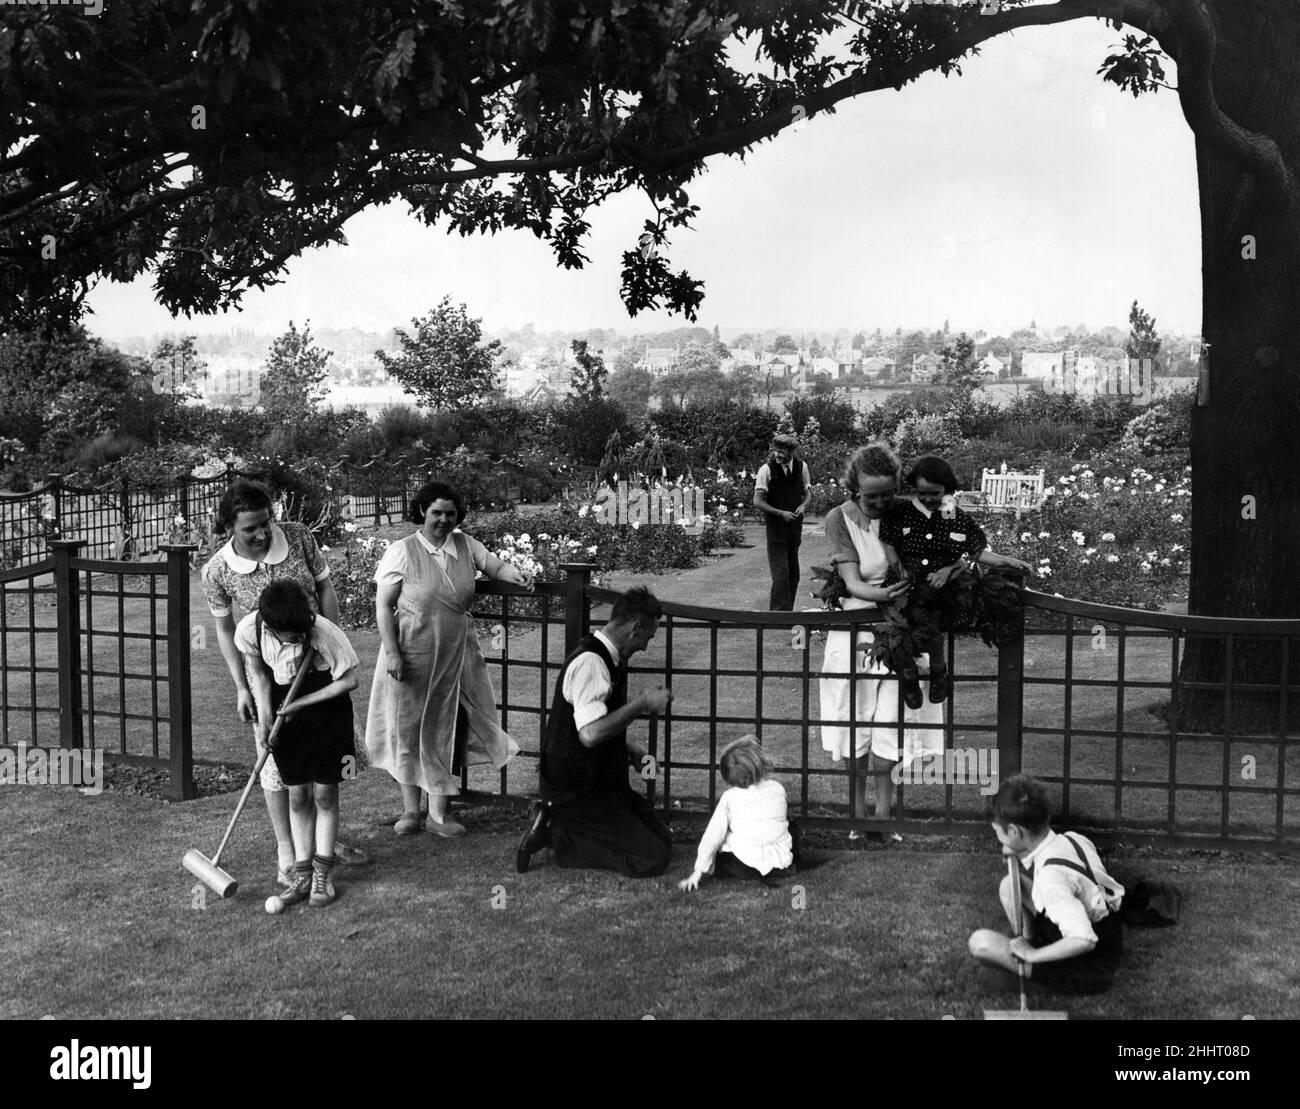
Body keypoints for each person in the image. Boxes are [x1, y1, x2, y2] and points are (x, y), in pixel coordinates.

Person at [202, 478, 369, 890]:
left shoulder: (297, 537)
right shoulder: (217, 570)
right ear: (228, 527)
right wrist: (241, 686)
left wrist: (331, 635)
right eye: (250, 528)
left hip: (316, 663)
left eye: (265, 522)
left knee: (325, 764)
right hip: (269, 674)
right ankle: (287, 852)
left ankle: (322, 846)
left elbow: (325, 586)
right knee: (277, 762)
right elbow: (225, 631)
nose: (261, 533)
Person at [365, 480, 531, 838]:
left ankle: (438, 814)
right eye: (436, 512)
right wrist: (393, 653)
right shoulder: (402, 550)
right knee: (407, 726)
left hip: (454, 652)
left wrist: (511, 574)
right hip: (411, 651)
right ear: (422, 512)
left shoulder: (466, 545)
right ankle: (411, 811)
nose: (443, 520)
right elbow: (383, 605)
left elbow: (494, 566)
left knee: (445, 725)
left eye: (450, 513)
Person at [818, 441, 943, 820]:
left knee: (893, 723)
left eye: (888, 493)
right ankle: (857, 815)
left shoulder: (909, 512)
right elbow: (852, 582)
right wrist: (884, 595)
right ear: (854, 488)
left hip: (903, 633)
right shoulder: (838, 519)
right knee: (853, 724)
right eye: (871, 496)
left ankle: (884, 815)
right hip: (854, 634)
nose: (880, 502)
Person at [516, 587, 674, 877]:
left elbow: (589, 723)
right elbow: (589, 734)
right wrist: (642, 703)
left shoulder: (605, 657)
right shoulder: (592, 662)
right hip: (576, 790)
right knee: (651, 859)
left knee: (664, 841)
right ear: (635, 627)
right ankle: (558, 834)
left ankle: (565, 826)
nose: (645, 647)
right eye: (647, 637)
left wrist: (627, 749)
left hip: (597, 782)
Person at [236, 580, 359, 908]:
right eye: (294, 637)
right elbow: (260, 677)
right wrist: (264, 724)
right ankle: (302, 875)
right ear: (272, 629)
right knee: (298, 795)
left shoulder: (323, 632)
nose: (303, 638)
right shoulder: (249, 631)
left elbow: (349, 680)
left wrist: (302, 704)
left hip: (327, 711)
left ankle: (322, 874)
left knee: (323, 793)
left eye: (305, 631)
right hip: (283, 711)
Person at [879, 454, 1034, 707]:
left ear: (946, 490)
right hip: (904, 585)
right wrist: (899, 568)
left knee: (933, 619)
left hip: (939, 588)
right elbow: (888, 542)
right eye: (923, 493)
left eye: (935, 493)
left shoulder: (956, 517)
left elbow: (975, 552)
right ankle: (908, 675)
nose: (929, 499)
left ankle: (939, 671)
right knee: (897, 628)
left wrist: (1009, 561)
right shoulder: (902, 514)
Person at [968, 774, 1125, 993]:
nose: (998, 838)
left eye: (998, 832)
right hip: (1105, 928)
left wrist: (1033, 956)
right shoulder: (1073, 838)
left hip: (1088, 963)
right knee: (1010, 886)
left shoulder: (1051, 881)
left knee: (980, 942)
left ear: (1014, 832)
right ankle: (1030, 940)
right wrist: (1016, 849)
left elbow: (1084, 939)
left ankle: (1034, 960)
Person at [678, 735, 798, 891]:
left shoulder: (730, 797)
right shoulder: (777, 788)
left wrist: (698, 871)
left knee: (724, 834)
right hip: (780, 865)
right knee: (791, 826)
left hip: (742, 864)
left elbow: (713, 835)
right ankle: (788, 863)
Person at [753, 433, 811, 611]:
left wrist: (803, 506)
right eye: (776, 451)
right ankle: (778, 614)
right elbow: (758, 501)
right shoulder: (767, 469)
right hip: (776, 528)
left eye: (782, 452)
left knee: (793, 574)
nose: (777, 455)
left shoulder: (802, 467)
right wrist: (780, 513)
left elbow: (807, 493)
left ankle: (788, 612)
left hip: (794, 528)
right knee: (780, 573)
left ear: (791, 452)